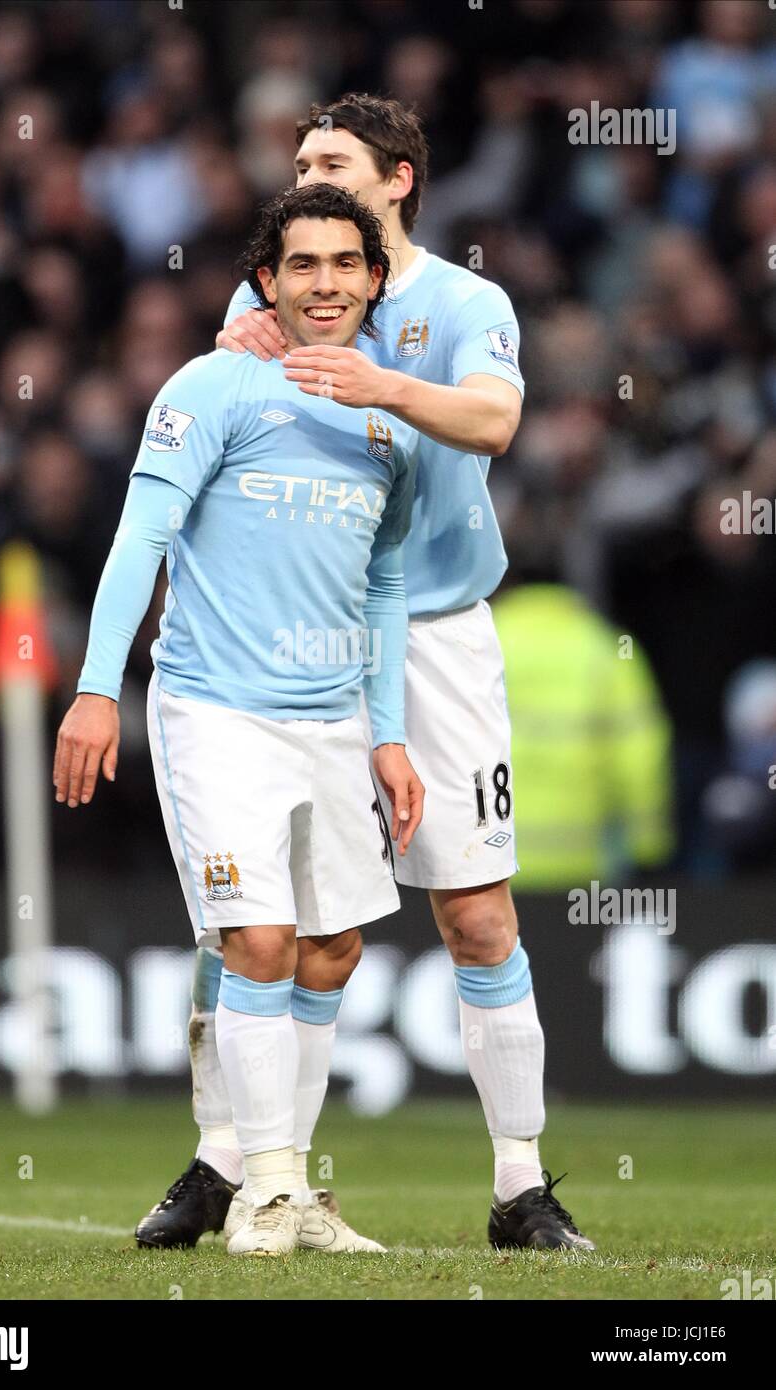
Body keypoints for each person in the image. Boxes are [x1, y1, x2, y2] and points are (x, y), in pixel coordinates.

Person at [167, 93, 594, 1253]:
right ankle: (236, 1168)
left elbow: (493, 423)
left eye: (332, 159)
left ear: (397, 179)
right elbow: (217, 424)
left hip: (436, 628)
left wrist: (383, 386)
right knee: (270, 926)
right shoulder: (265, 292)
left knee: (476, 913)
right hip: (295, 635)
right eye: (300, 158)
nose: (306, 172)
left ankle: (518, 1187)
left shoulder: (464, 303)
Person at [53, 182, 424, 1256]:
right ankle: (262, 1191)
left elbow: (384, 584)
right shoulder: (210, 386)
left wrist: (388, 733)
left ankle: (289, 1187)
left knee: (331, 949)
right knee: (258, 941)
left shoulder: (390, 421)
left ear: (373, 278)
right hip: (217, 711)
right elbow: (140, 538)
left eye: (344, 263)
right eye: (301, 264)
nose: (324, 283)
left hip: (335, 719)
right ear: (267, 280)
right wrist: (96, 687)